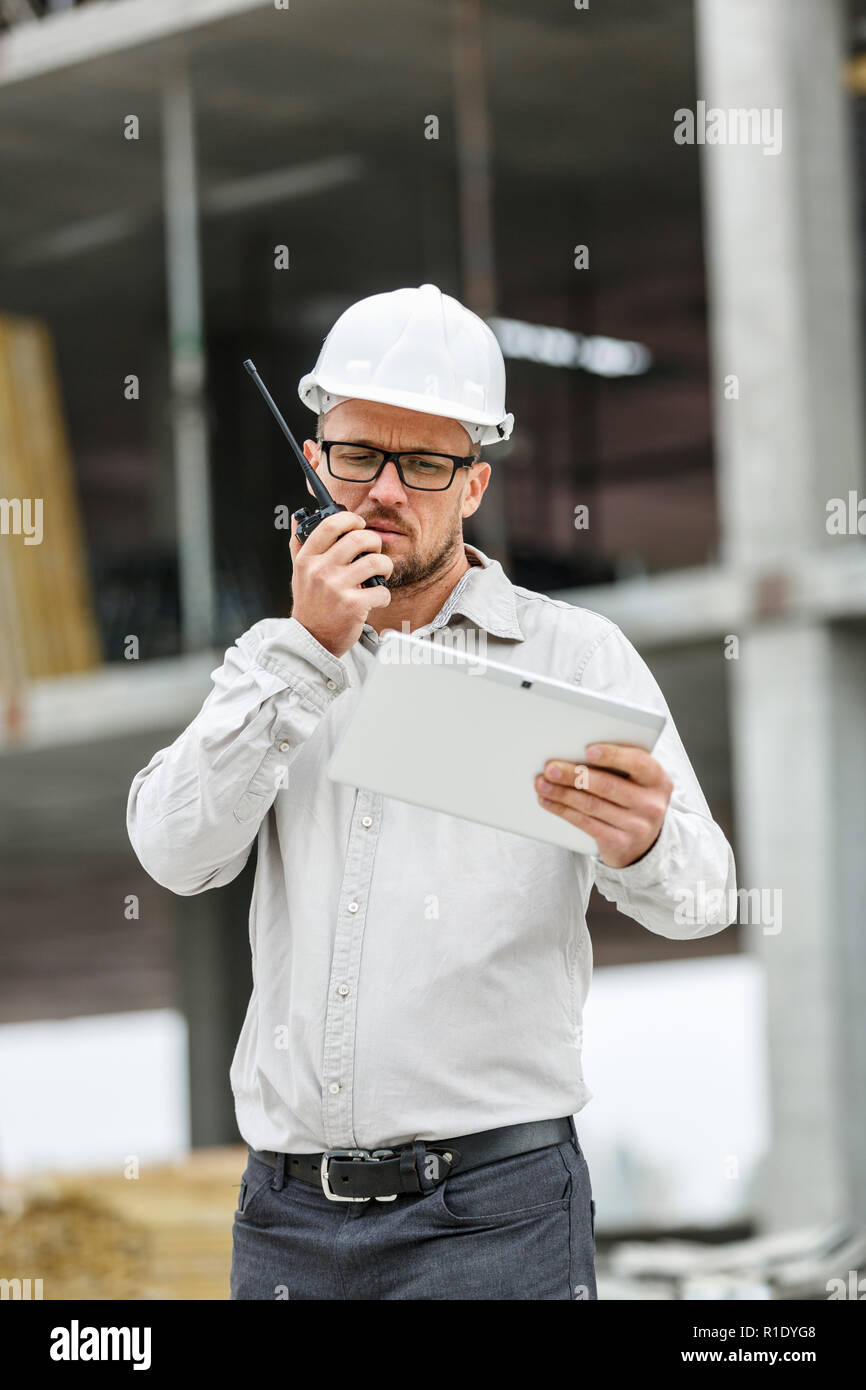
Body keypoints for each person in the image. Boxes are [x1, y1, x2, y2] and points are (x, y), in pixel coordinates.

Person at [127, 283, 736, 1301]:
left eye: (424, 464)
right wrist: (307, 651)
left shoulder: (574, 655)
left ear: (474, 484)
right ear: (315, 460)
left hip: (492, 1216)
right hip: (285, 1221)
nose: (385, 491)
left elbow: (704, 895)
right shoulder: (269, 669)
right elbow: (172, 850)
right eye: (361, 455)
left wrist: (639, 846)